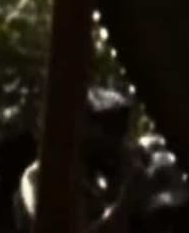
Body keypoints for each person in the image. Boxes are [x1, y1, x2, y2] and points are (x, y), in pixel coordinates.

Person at [15, 86, 156, 233]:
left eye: (120, 133)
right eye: (109, 130)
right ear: (81, 127)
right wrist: (125, 204)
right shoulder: (41, 177)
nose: (117, 142)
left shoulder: (99, 178)